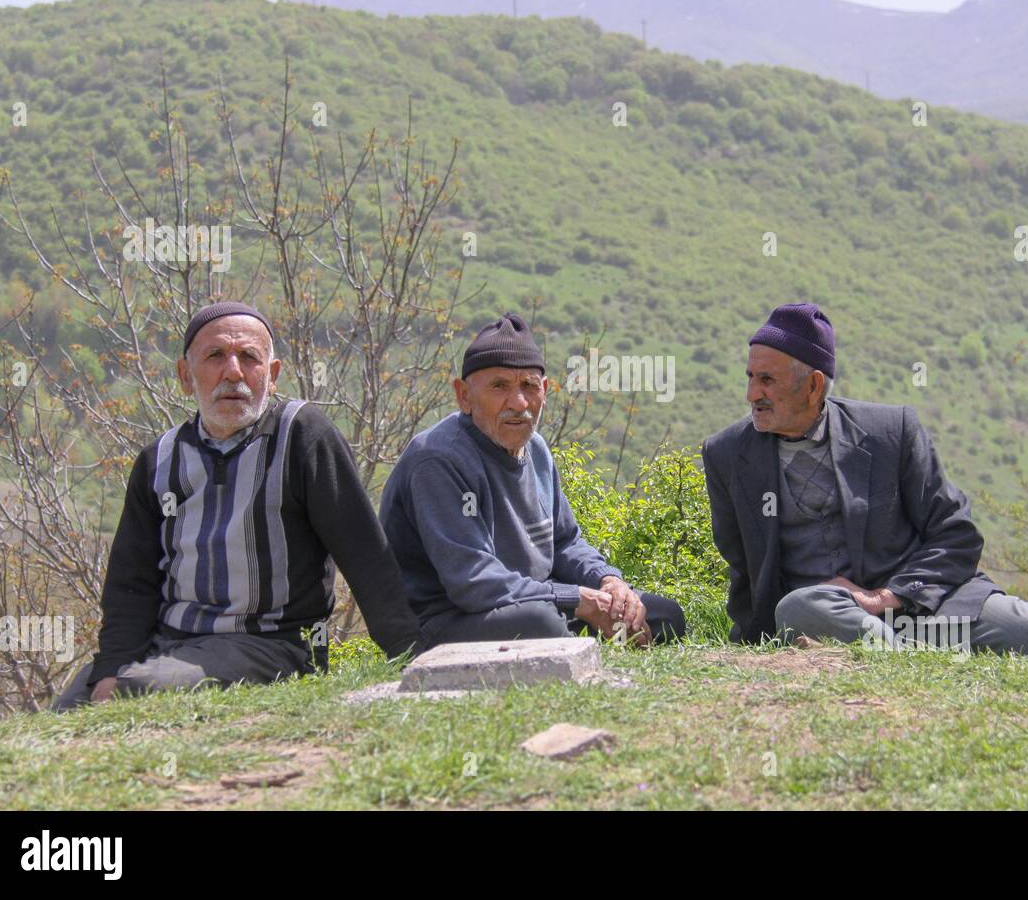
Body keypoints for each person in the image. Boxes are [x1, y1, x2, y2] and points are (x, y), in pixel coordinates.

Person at [51, 301, 424, 711]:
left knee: (140, 688)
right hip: (169, 641)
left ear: (273, 374)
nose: (233, 372)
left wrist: (411, 661)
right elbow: (131, 583)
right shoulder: (159, 460)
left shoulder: (302, 438)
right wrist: (111, 666)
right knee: (75, 704)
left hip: (273, 646)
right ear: (184, 375)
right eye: (215, 357)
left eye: (249, 357)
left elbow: (366, 557)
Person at [701, 302, 1028, 655]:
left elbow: (956, 534)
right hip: (822, 616)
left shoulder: (891, 432)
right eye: (750, 377)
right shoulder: (726, 454)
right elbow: (743, 564)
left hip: (917, 607)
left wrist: (885, 598)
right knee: (798, 607)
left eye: (767, 380)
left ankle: (891, 650)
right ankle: (904, 656)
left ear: (813, 386)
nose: (752, 394)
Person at [379, 312, 686, 646]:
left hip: (530, 604)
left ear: (545, 391)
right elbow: (474, 582)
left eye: (529, 386)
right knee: (543, 625)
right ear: (464, 396)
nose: (519, 403)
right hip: (443, 619)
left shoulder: (535, 448)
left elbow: (565, 542)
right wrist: (577, 599)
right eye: (499, 386)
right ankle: (575, 642)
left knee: (662, 615)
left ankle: (587, 638)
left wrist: (607, 581)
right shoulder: (438, 459)